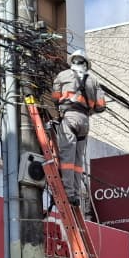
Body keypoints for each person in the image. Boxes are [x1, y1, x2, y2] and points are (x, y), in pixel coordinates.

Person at [52, 49, 106, 216]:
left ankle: (68, 193)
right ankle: (75, 193)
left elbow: (55, 97)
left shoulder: (63, 75)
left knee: (67, 158)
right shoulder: (94, 81)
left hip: (69, 117)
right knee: (77, 162)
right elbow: (101, 106)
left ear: (72, 61)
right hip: (84, 121)